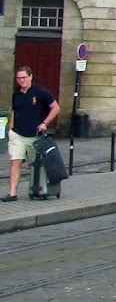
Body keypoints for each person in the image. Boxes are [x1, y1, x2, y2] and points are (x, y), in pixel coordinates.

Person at [7, 67, 60, 202]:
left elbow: (55, 108)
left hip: (34, 136)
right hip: (18, 134)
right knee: (15, 161)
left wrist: (45, 123)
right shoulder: (16, 94)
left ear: (31, 77)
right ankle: (12, 193)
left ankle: (42, 188)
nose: (22, 80)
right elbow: (14, 111)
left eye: (24, 77)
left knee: (37, 164)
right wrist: (11, 130)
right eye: (19, 78)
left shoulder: (41, 92)